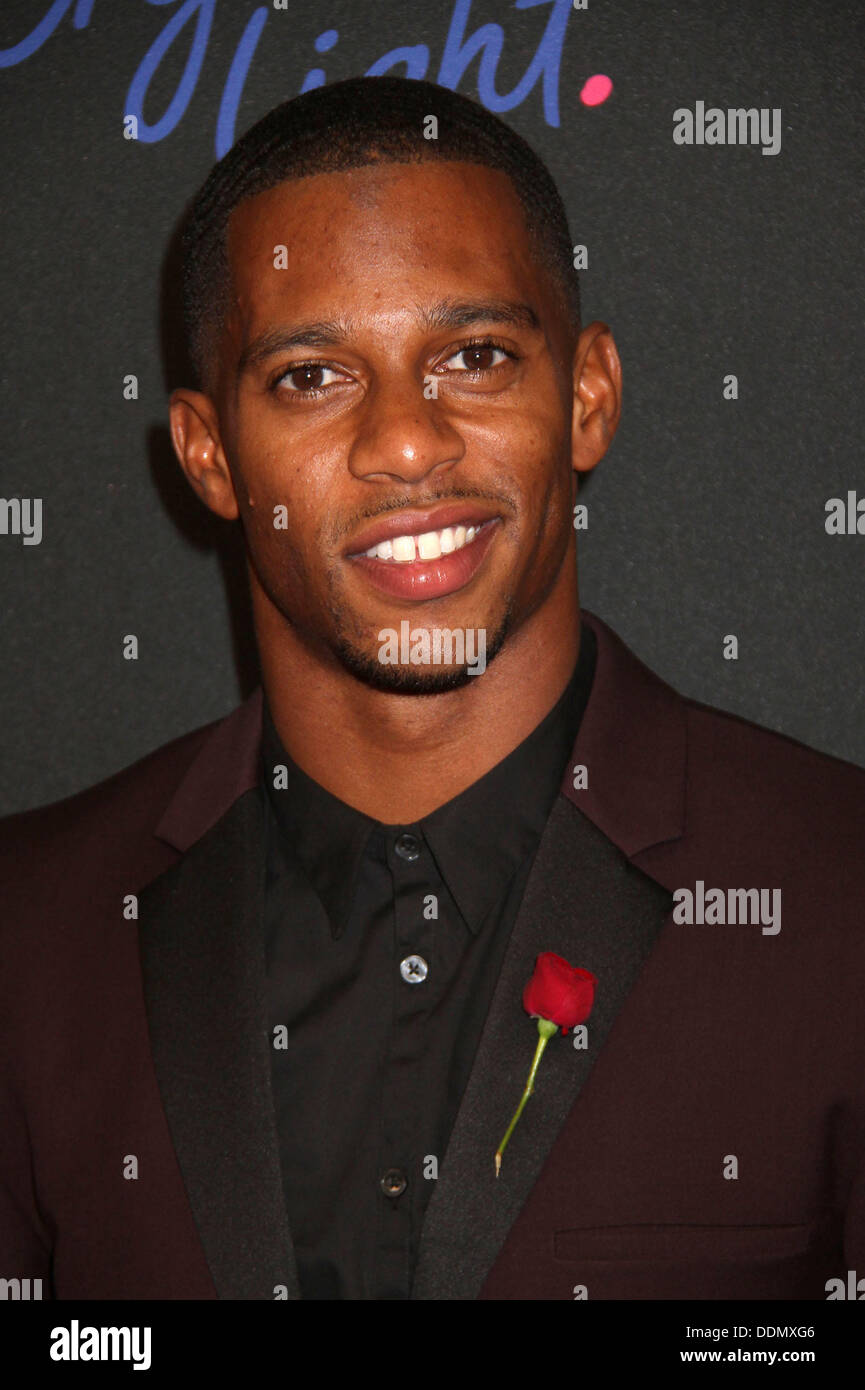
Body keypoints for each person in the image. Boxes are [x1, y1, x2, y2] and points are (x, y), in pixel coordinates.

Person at [1, 74, 863, 1303]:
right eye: (311, 374)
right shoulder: (28, 938)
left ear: (587, 397)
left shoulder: (840, 902)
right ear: (208, 456)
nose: (406, 441)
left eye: (472, 354)